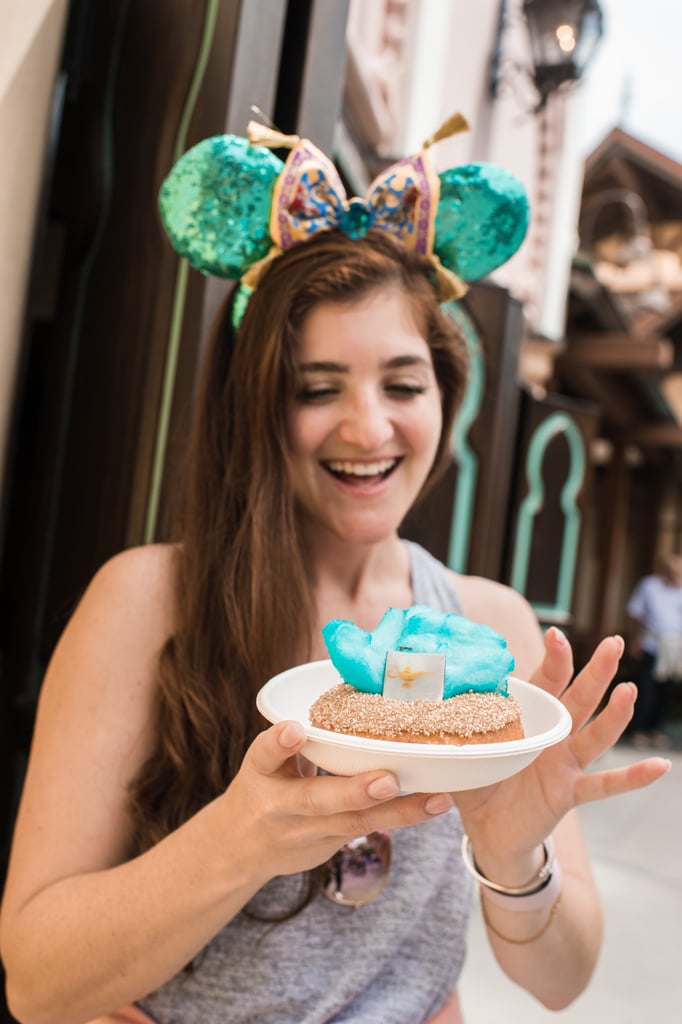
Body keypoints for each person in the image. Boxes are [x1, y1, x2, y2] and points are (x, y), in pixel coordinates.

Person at [0, 121, 671, 1024]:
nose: (367, 429)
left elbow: (562, 978)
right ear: (258, 405)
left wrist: (516, 862)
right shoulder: (148, 602)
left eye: (402, 384)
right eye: (318, 388)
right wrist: (239, 842)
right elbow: (37, 984)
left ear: (445, 394)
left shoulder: (494, 629)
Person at [626, 553, 682, 748]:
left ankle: (655, 729)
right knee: (646, 689)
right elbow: (636, 614)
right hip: (651, 643)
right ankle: (639, 730)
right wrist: (635, 639)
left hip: (674, 647)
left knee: (665, 692)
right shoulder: (649, 586)